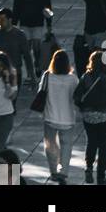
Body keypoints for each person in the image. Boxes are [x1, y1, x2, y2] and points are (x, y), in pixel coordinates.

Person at [74, 49, 106, 185]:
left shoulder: (85, 77)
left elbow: (76, 96)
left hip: (88, 115)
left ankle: (89, 167)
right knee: (104, 145)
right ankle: (101, 176)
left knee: (91, 141)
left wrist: (82, 106)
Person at [39, 49, 78, 185]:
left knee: (50, 145)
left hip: (50, 117)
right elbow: (77, 96)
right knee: (66, 146)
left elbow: (40, 92)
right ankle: (63, 171)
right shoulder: (73, 79)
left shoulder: (48, 76)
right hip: (68, 118)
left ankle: (53, 171)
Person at [11, 0, 52, 86]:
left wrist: (49, 23)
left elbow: (47, 4)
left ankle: (37, 66)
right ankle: (30, 74)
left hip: (38, 22)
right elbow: (16, 6)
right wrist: (14, 23)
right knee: (26, 50)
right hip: (25, 23)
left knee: (37, 47)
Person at [0, 9, 27, 87]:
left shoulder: (19, 35)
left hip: (15, 74)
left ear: (10, 20)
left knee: (12, 98)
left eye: (2, 19)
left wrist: (32, 76)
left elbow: (27, 55)